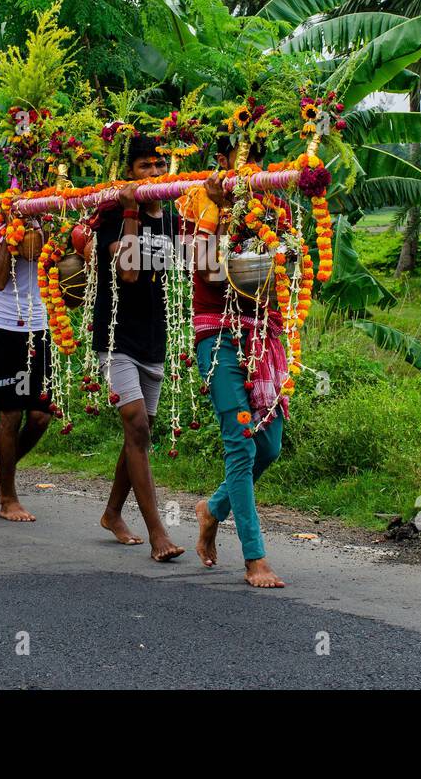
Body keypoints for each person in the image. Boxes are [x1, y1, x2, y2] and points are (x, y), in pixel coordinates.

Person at [182, 138, 288, 588]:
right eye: (242, 162)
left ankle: (212, 509)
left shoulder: (275, 207)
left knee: (270, 447)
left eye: (258, 164)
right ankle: (255, 558)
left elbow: (286, 267)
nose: (252, 173)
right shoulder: (198, 204)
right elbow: (205, 271)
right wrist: (222, 215)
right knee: (243, 441)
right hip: (220, 338)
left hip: (264, 337)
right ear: (221, 162)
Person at [92, 135, 184, 561]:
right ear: (130, 173)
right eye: (144, 167)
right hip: (116, 338)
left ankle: (112, 512)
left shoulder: (173, 218)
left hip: (154, 337)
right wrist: (131, 209)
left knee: (139, 435)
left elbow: (197, 260)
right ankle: (158, 534)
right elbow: (127, 272)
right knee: (138, 429)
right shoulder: (111, 215)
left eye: (158, 166)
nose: (153, 174)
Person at [0, 190, 52, 523]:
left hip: (40, 326)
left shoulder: (52, 214)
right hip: (2, 326)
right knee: (12, 414)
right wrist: (10, 231)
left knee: (40, 417)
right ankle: (7, 497)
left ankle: (3, 465)